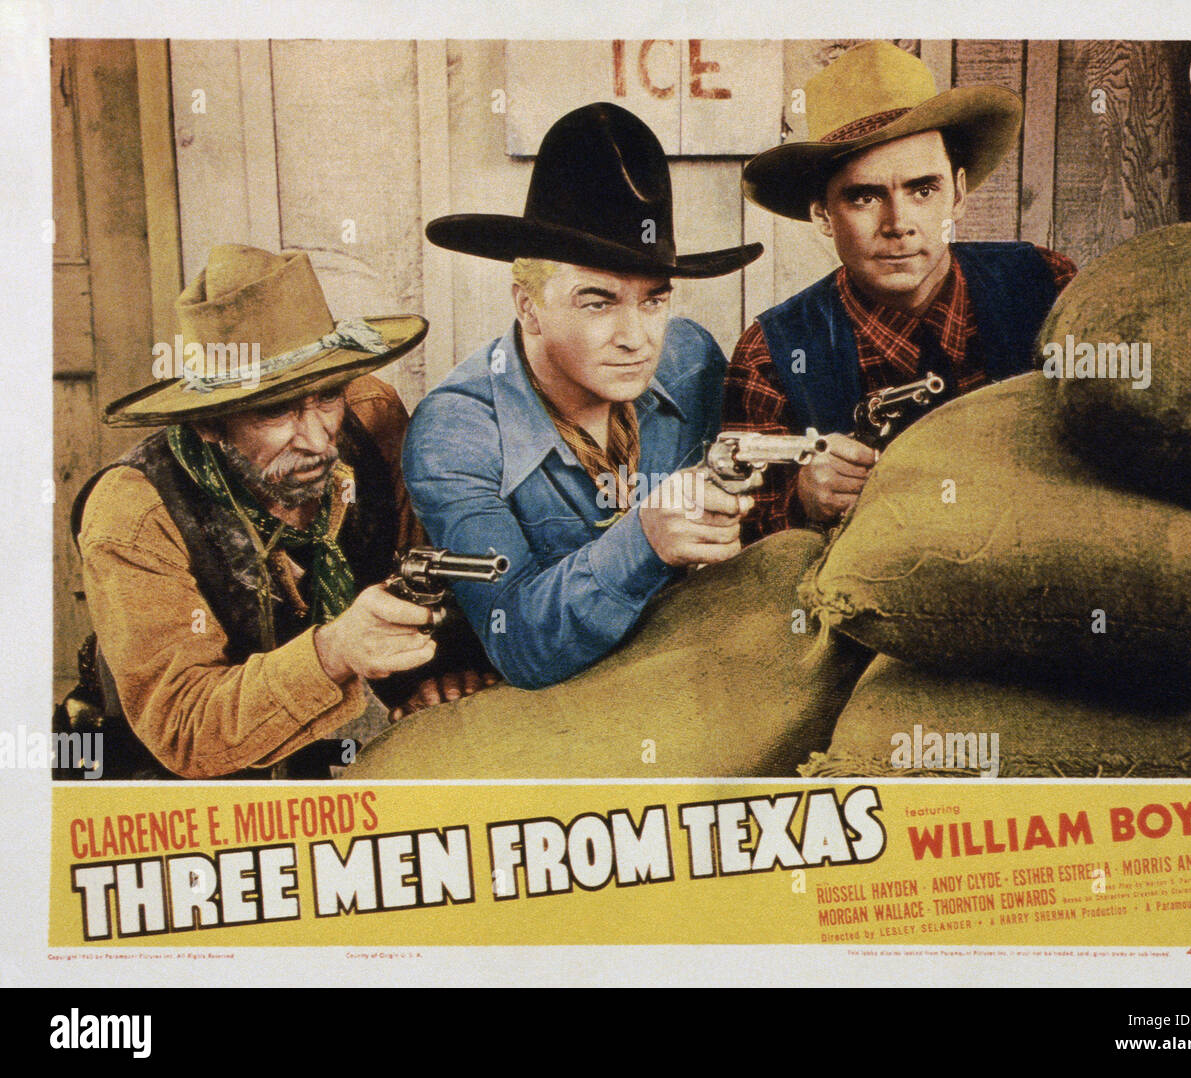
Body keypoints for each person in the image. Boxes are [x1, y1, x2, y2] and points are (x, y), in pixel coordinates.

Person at [71, 244, 492, 779]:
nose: (319, 441)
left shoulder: (370, 415)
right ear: (208, 422)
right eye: (276, 411)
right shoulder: (134, 512)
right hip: (180, 784)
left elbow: (417, 560)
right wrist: (334, 652)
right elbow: (185, 728)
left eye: (325, 398)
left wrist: (436, 672)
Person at [405, 102, 763, 689]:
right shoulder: (454, 432)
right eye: (597, 302)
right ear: (528, 306)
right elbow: (514, 642)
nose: (636, 339)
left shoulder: (691, 358)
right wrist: (645, 539)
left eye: (653, 300)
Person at [727, 41, 1079, 542]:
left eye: (922, 190)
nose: (898, 225)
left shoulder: (1049, 286)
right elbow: (733, 539)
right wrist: (800, 500)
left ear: (957, 194)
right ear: (822, 215)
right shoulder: (770, 352)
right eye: (865, 196)